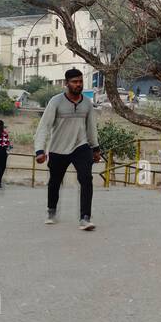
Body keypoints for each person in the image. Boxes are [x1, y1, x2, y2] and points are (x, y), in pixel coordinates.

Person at [34, 69, 102, 228]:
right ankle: (51, 210)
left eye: (80, 81)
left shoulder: (87, 103)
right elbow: (44, 127)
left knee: (86, 179)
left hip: (81, 146)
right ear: (67, 83)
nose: (78, 85)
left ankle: (85, 217)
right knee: (55, 181)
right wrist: (39, 150)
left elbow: (91, 127)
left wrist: (95, 148)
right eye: (74, 82)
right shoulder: (55, 102)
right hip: (58, 147)